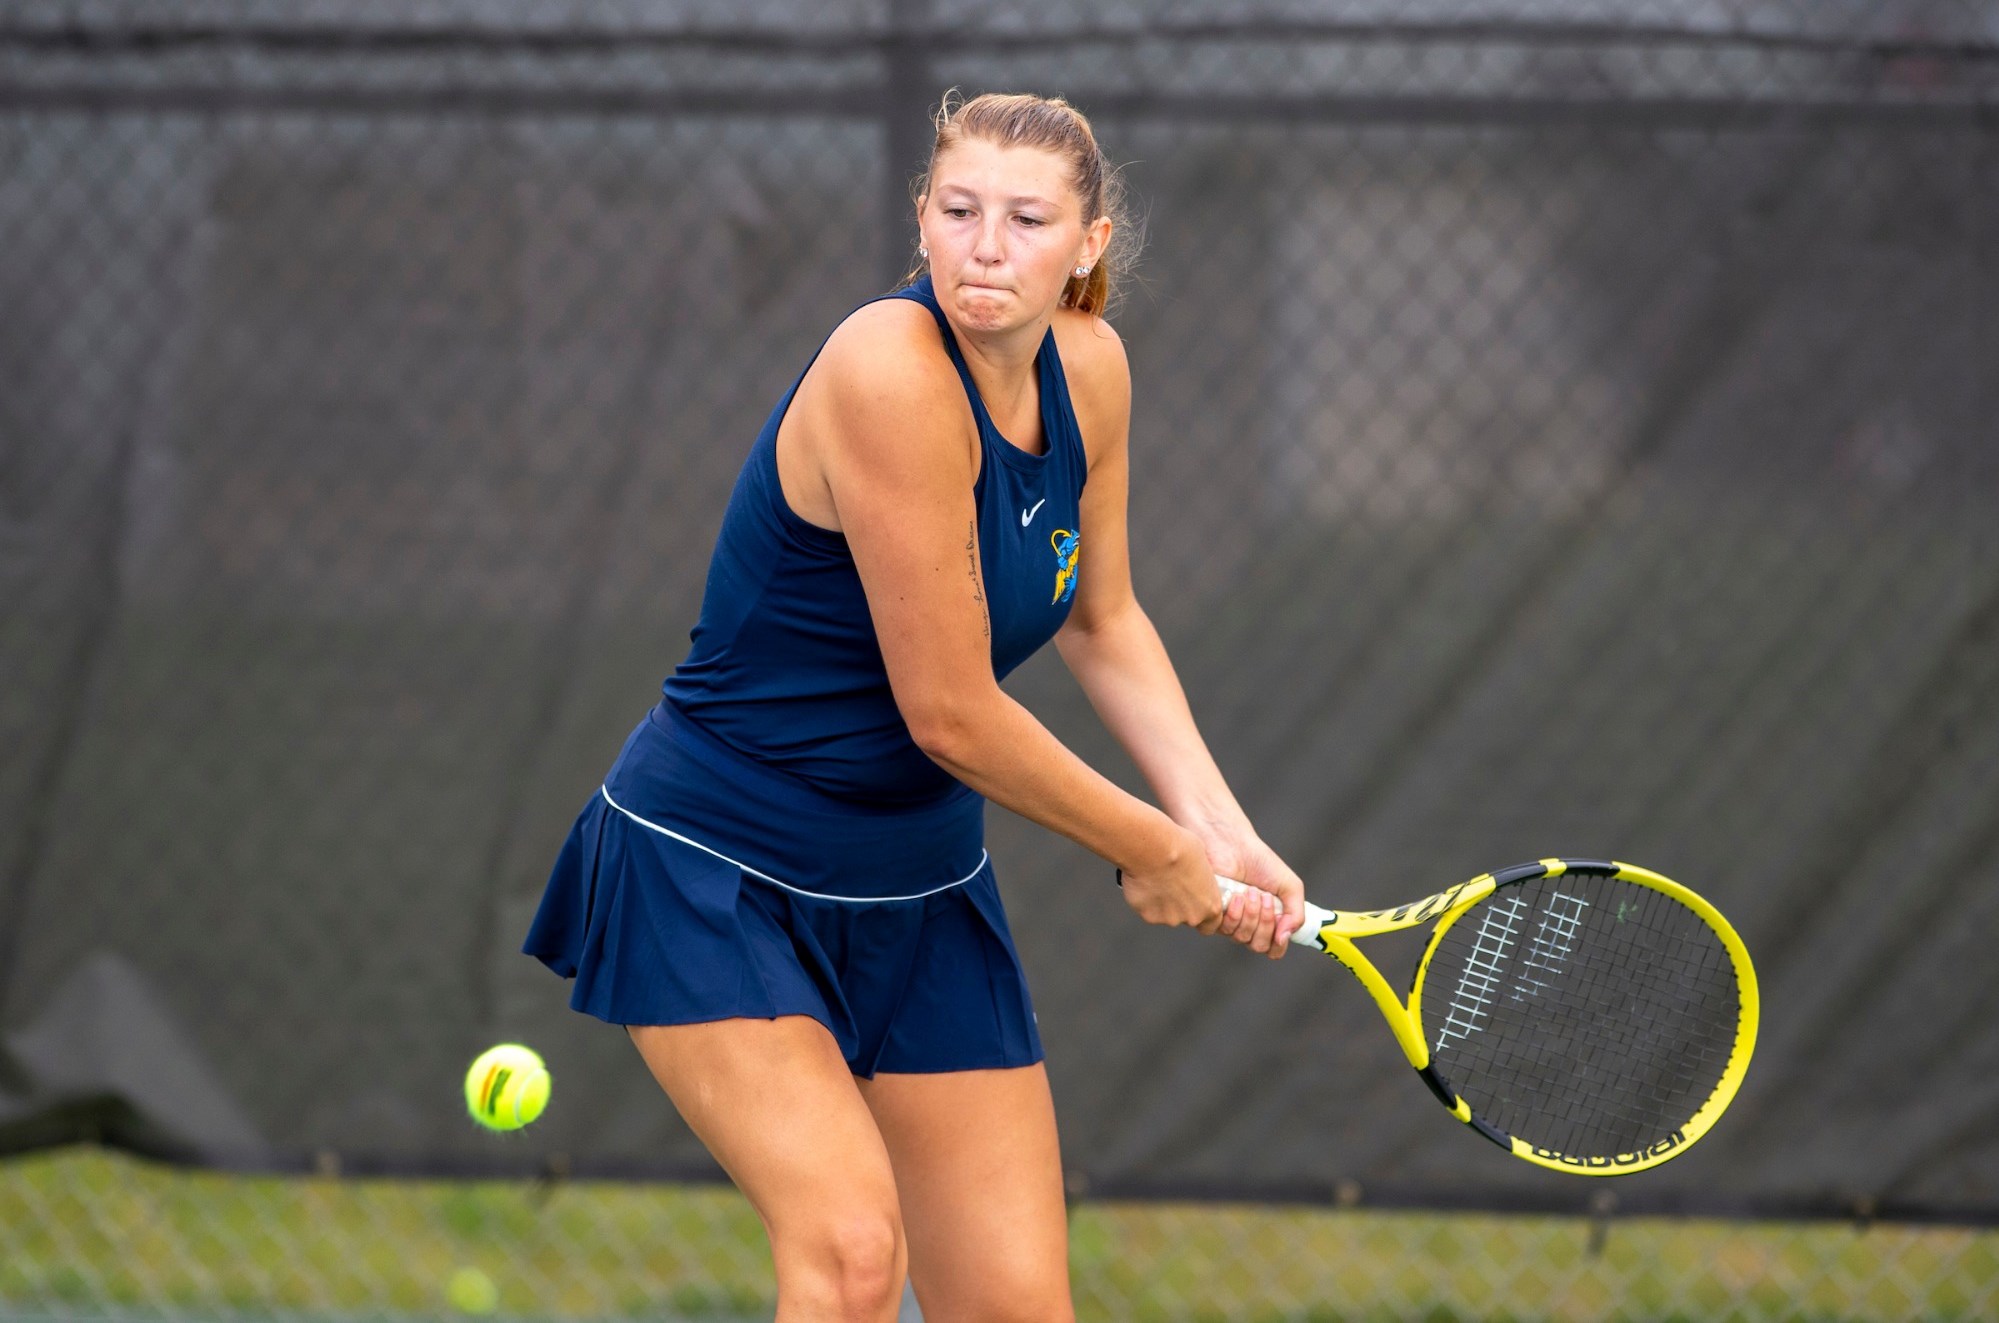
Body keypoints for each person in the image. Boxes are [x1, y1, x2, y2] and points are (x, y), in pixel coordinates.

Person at [525, 91, 1306, 1323]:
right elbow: (946, 712)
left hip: (921, 891)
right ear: (923, 220)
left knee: (1012, 1309)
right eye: (959, 210)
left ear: (1088, 244)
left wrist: (1211, 823)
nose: (985, 245)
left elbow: (1104, 620)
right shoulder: (885, 372)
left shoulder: (1091, 372)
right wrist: (1149, 849)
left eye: (1027, 218)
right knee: (847, 1256)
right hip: (714, 870)